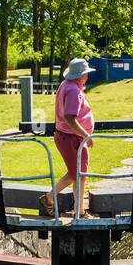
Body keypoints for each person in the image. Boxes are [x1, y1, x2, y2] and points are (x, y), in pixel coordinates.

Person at [41, 58, 96, 219]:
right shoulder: (73, 90)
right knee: (77, 174)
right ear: (81, 75)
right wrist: (86, 135)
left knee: (78, 174)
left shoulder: (66, 85)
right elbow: (69, 117)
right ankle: (57, 201)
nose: (87, 76)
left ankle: (75, 209)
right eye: (85, 73)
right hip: (71, 137)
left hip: (69, 137)